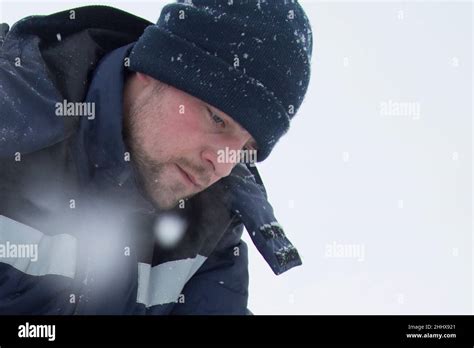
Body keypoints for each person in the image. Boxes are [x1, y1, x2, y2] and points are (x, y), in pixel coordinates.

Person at [0, 0, 312, 314]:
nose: (222, 164)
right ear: (154, 68)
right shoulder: (11, 127)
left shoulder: (212, 222)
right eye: (217, 119)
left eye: (246, 150)